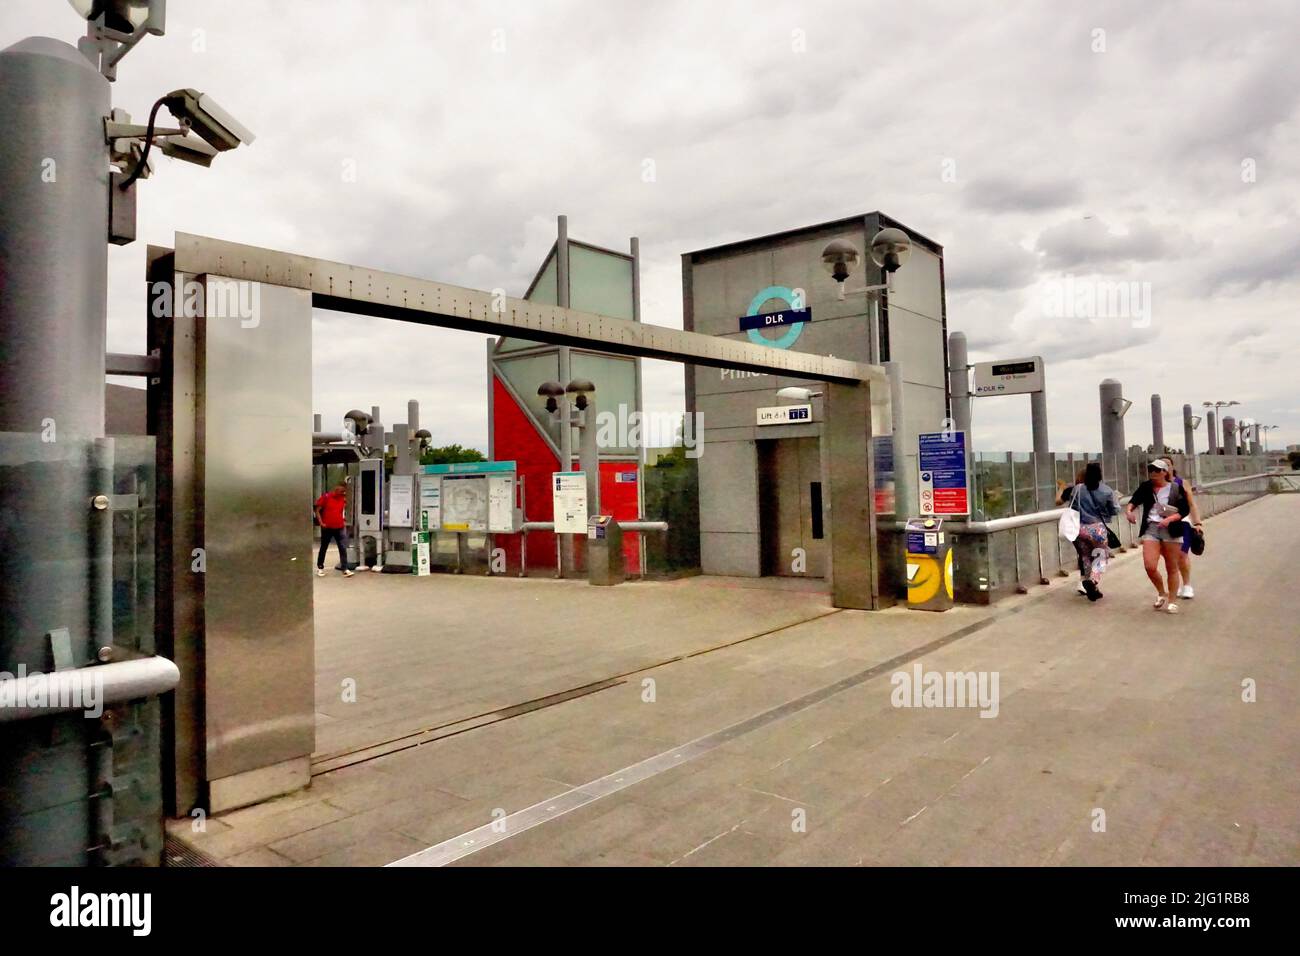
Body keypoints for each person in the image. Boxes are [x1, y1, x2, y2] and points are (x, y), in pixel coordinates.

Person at [1125, 458, 1188, 613]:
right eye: (1151, 470)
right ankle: (1161, 592)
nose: (1153, 473)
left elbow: (1184, 509)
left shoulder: (1175, 488)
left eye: (1157, 470)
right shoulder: (1146, 487)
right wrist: (1129, 511)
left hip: (1171, 529)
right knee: (1150, 566)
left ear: (1165, 472)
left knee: (1171, 566)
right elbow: (1134, 500)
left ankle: (1172, 601)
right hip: (1152, 528)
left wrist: (1169, 519)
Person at [1060, 462, 1118, 601]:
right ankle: (1093, 581)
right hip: (1097, 528)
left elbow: (1072, 506)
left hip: (1080, 529)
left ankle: (1089, 583)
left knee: (1085, 556)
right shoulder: (1107, 491)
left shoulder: (1078, 489)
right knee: (1101, 556)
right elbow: (1114, 510)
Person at [1169, 467, 1204, 599]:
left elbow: (1191, 504)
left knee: (1182, 554)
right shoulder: (1156, 485)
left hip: (1182, 523)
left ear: (1171, 468)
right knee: (1171, 557)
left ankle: (1187, 585)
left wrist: (1197, 523)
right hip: (1165, 524)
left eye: (1167, 465)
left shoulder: (1182, 483)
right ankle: (1175, 584)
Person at [314, 482, 355, 578]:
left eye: (343, 491)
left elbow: (341, 511)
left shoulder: (342, 499)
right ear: (336, 488)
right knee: (324, 547)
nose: (341, 492)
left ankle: (345, 568)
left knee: (342, 547)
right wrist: (321, 522)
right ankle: (320, 567)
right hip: (327, 527)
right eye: (340, 490)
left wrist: (343, 521)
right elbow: (317, 510)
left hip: (339, 526)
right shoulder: (326, 497)